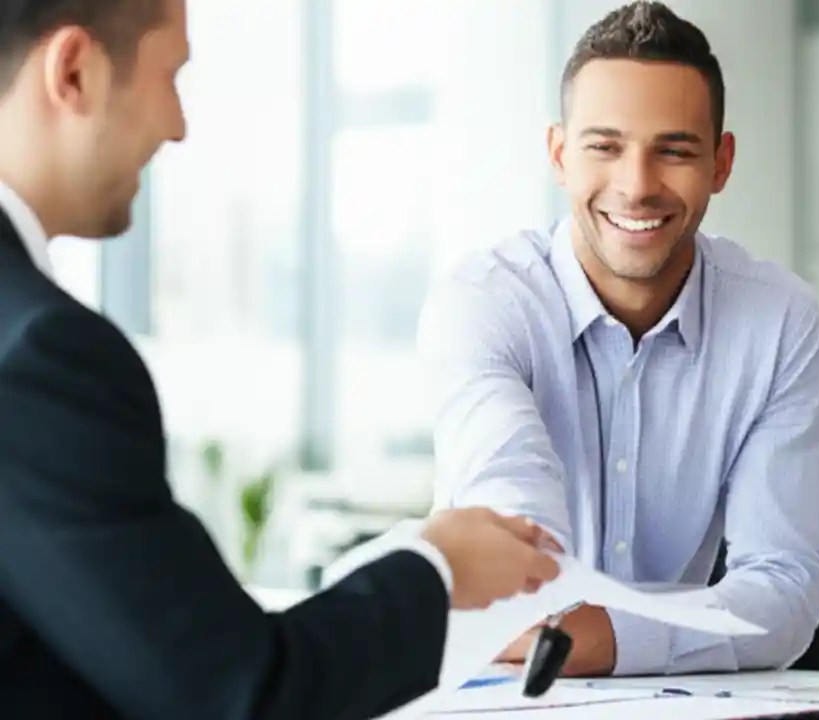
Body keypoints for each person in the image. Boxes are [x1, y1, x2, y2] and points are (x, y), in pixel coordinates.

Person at [0, 1, 559, 717]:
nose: (178, 124)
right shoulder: (39, 357)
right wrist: (440, 572)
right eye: (170, 75)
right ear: (73, 72)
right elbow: (241, 694)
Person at [416, 1, 819, 677]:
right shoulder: (484, 301)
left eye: (674, 150)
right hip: (493, 693)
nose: (636, 187)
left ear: (721, 163)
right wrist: (598, 621)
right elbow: (513, 507)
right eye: (604, 147)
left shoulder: (779, 321)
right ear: (559, 154)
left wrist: (600, 639)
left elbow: (785, 587)